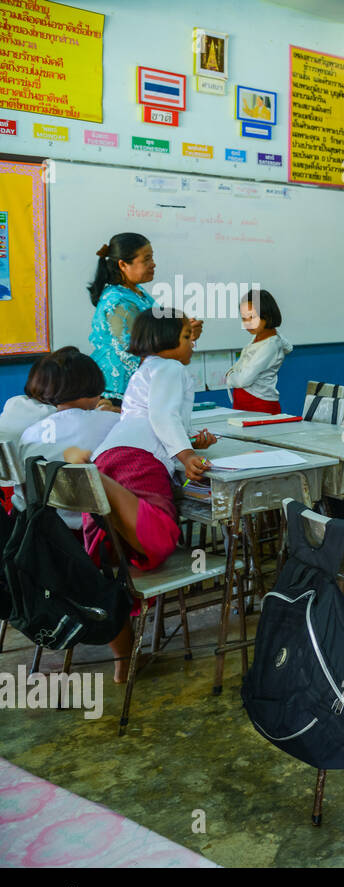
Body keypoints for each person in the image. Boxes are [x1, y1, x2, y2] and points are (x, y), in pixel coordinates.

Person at [65, 309, 217, 683]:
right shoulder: (170, 368)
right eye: (185, 337)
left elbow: (153, 417)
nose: (192, 344)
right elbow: (163, 418)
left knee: (112, 553)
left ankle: (124, 663)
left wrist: (190, 441)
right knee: (159, 539)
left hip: (111, 454)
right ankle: (102, 485)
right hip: (138, 461)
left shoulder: (147, 368)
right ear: (166, 343)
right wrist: (185, 454)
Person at [87, 233, 203, 401]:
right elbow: (131, 350)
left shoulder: (138, 293)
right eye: (146, 259)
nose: (153, 264)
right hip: (120, 392)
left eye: (152, 258)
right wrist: (180, 338)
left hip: (141, 387)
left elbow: (158, 332)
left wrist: (185, 333)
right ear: (123, 264)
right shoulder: (117, 302)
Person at [15, 350, 119, 524]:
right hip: (98, 530)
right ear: (95, 384)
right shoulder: (114, 423)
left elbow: (21, 495)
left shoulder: (32, 432)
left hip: (45, 531)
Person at [226, 289, 292, 414]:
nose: (247, 324)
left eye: (252, 318)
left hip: (260, 406)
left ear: (267, 316)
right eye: (244, 319)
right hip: (244, 405)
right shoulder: (259, 337)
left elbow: (243, 380)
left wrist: (229, 376)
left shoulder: (270, 345)